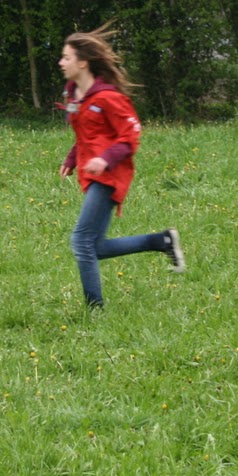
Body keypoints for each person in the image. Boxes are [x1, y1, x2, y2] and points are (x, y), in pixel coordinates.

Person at [59, 25, 184, 309]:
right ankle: (160, 241)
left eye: (66, 58)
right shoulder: (74, 95)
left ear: (83, 62)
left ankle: (95, 310)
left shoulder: (108, 98)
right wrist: (71, 159)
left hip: (111, 174)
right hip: (92, 174)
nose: (61, 62)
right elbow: (85, 134)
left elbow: (131, 134)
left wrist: (105, 159)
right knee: (94, 247)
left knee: (81, 242)